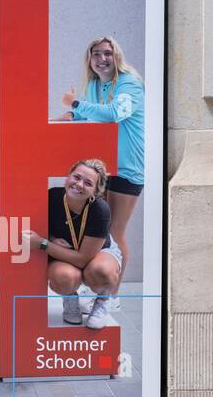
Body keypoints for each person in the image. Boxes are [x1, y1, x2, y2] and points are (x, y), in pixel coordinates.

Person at [59, 36, 144, 311]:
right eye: (96, 54)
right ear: (90, 59)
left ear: (116, 55)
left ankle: (112, 297)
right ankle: (91, 288)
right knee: (96, 230)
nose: (102, 59)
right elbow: (88, 116)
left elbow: (114, 114)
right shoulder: (95, 86)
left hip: (128, 168)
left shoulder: (129, 83)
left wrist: (75, 105)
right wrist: (67, 117)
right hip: (102, 169)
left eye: (107, 53)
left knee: (114, 230)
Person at [24, 159, 122, 331]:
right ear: (68, 177)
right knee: (64, 277)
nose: (79, 184)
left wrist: (43, 243)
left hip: (97, 254)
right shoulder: (52, 196)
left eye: (88, 183)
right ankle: (70, 299)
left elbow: (84, 259)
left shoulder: (100, 209)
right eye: (76, 177)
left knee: (102, 271)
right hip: (64, 252)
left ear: (95, 191)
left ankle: (102, 301)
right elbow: (39, 224)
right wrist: (52, 237)